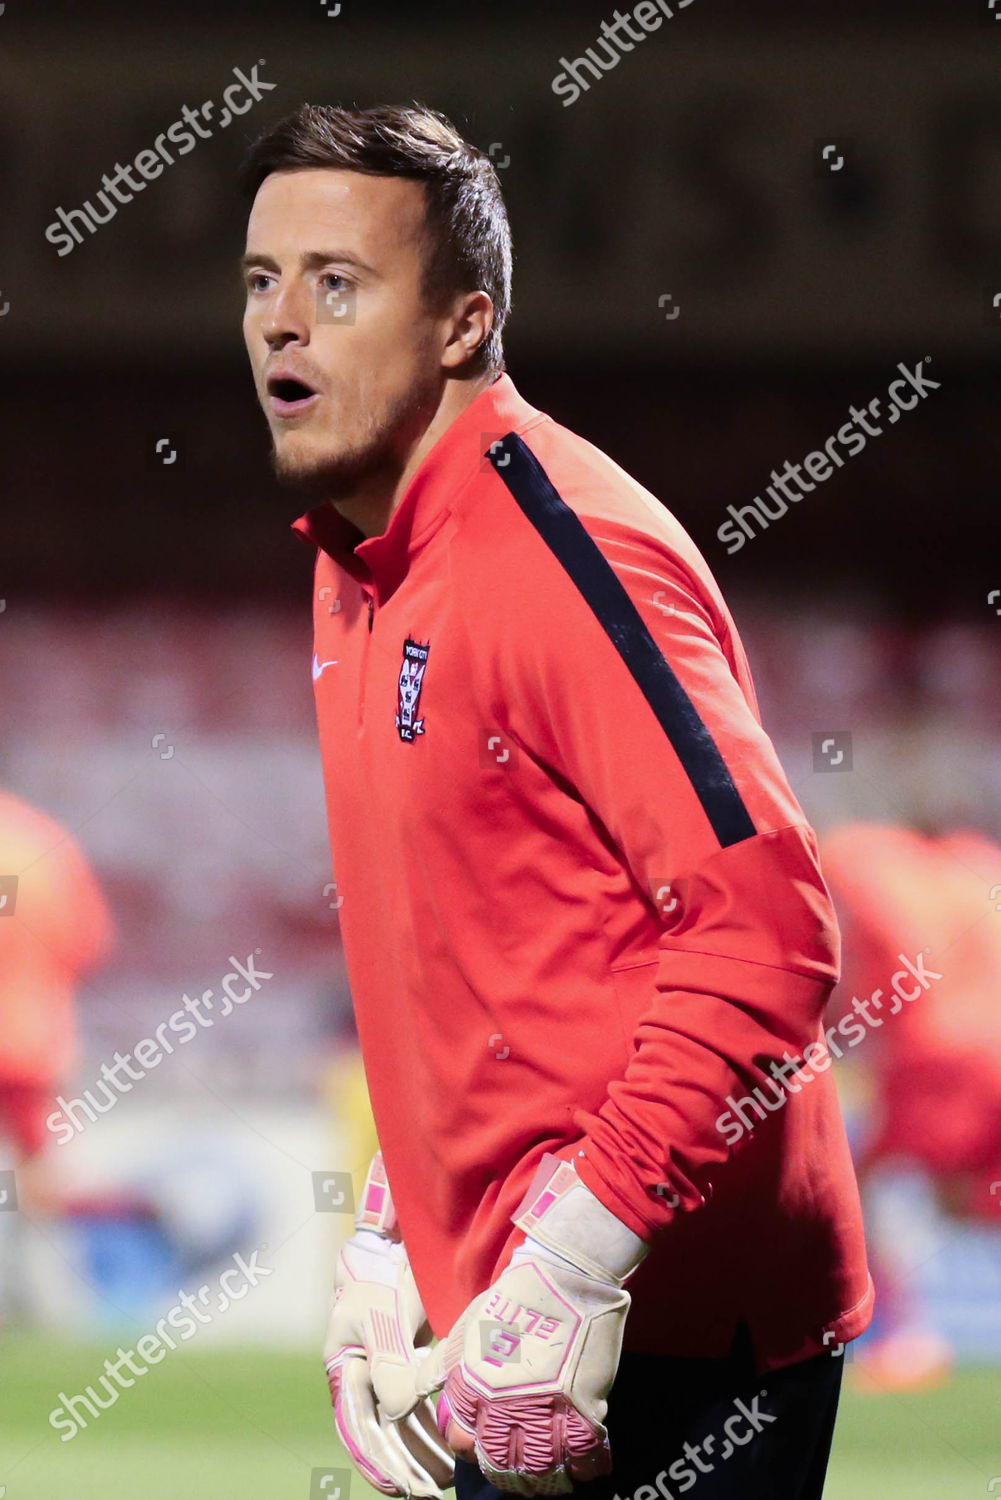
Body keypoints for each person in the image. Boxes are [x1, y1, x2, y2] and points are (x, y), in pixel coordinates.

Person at [238, 103, 872, 1500]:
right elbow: (467, 952)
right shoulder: (357, 557)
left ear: (462, 324)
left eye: (336, 283)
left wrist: (576, 1252)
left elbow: (768, 936)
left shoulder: (561, 552)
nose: (282, 322)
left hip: (674, 1323)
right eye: (260, 281)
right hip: (524, 1297)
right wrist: (402, 1233)